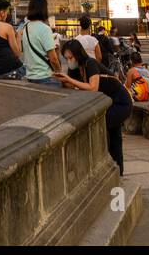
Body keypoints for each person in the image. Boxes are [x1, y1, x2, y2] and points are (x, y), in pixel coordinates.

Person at [55, 39, 133, 174]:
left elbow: (93, 87)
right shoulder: (75, 69)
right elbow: (72, 86)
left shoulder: (91, 64)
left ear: (78, 54)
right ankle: (117, 170)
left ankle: (107, 167)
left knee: (102, 128)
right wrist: (62, 79)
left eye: (70, 57)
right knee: (114, 136)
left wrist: (69, 80)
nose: (69, 61)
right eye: (66, 58)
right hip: (109, 102)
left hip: (121, 102)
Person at [20, 0, 63, 87]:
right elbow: (53, 59)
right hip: (45, 77)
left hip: (30, 77)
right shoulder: (45, 29)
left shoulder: (26, 28)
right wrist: (60, 73)